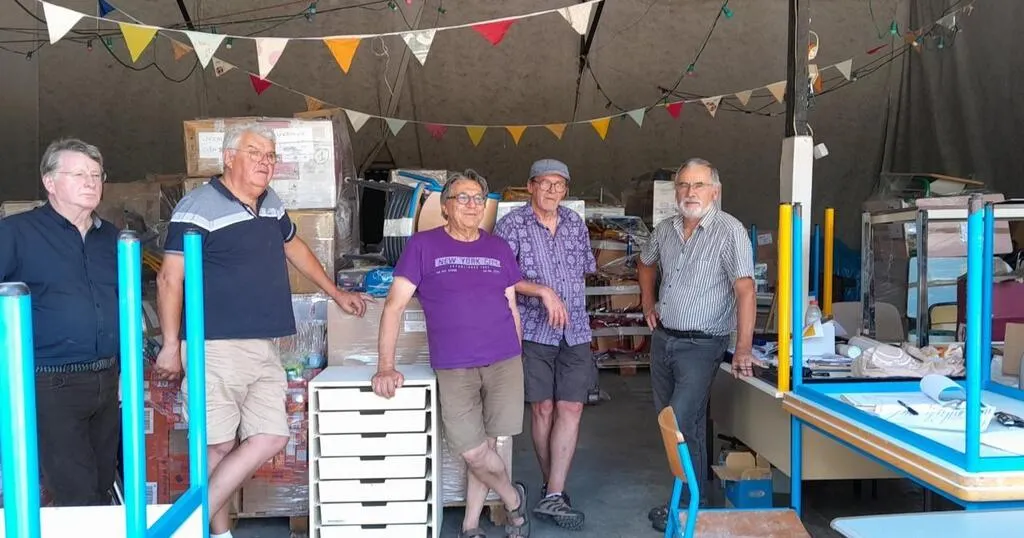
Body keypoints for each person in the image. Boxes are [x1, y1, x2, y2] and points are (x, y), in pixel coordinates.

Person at [153, 123, 370, 538]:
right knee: (215, 446)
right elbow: (169, 279)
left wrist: (335, 293)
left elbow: (294, 246)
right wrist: (169, 344)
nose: (265, 162)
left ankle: (186, 521)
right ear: (228, 157)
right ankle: (214, 532)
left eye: (270, 156)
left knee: (270, 435)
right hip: (213, 345)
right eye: (255, 153)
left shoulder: (270, 203)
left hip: (263, 344)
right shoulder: (198, 206)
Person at [371, 170, 532, 538]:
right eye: (463, 197)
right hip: (455, 365)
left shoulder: (498, 248)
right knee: (472, 450)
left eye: (479, 198)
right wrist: (385, 366)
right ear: (445, 207)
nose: (473, 205)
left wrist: (517, 354)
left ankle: (471, 524)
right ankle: (513, 498)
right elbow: (394, 307)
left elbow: (512, 305)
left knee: (490, 443)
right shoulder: (423, 246)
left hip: (504, 359)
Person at [637, 158, 756, 532]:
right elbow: (645, 263)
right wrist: (646, 301)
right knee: (674, 421)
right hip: (665, 340)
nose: (691, 192)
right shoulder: (666, 229)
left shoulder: (729, 231)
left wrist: (743, 348)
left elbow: (745, 290)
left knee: (680, 420)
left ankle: (690, 501)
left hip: (703, 345)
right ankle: (691, 497)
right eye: (684, 185)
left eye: (699, 185)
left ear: (715, 192)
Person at [0, 138, 120, 506]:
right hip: (50, 380)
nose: (90, 182)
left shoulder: (112, 237)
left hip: (106, 379)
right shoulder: (16, 233)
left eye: (96, 175)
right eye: (79, 174)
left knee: (102, 483)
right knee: (76, 491)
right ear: (49, 182)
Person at [493, 158, 595, 531]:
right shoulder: (511, 225)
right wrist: (542, 290)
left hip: (576, 330)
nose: (553, 191)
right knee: (543, 409)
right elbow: (502, 276)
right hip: (535, 330)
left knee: (571, 407)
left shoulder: (574, 224)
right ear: (530, 186)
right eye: (546, 183)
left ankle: (554, 491)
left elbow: (582, 271)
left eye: (560, 185)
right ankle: (551, 487)